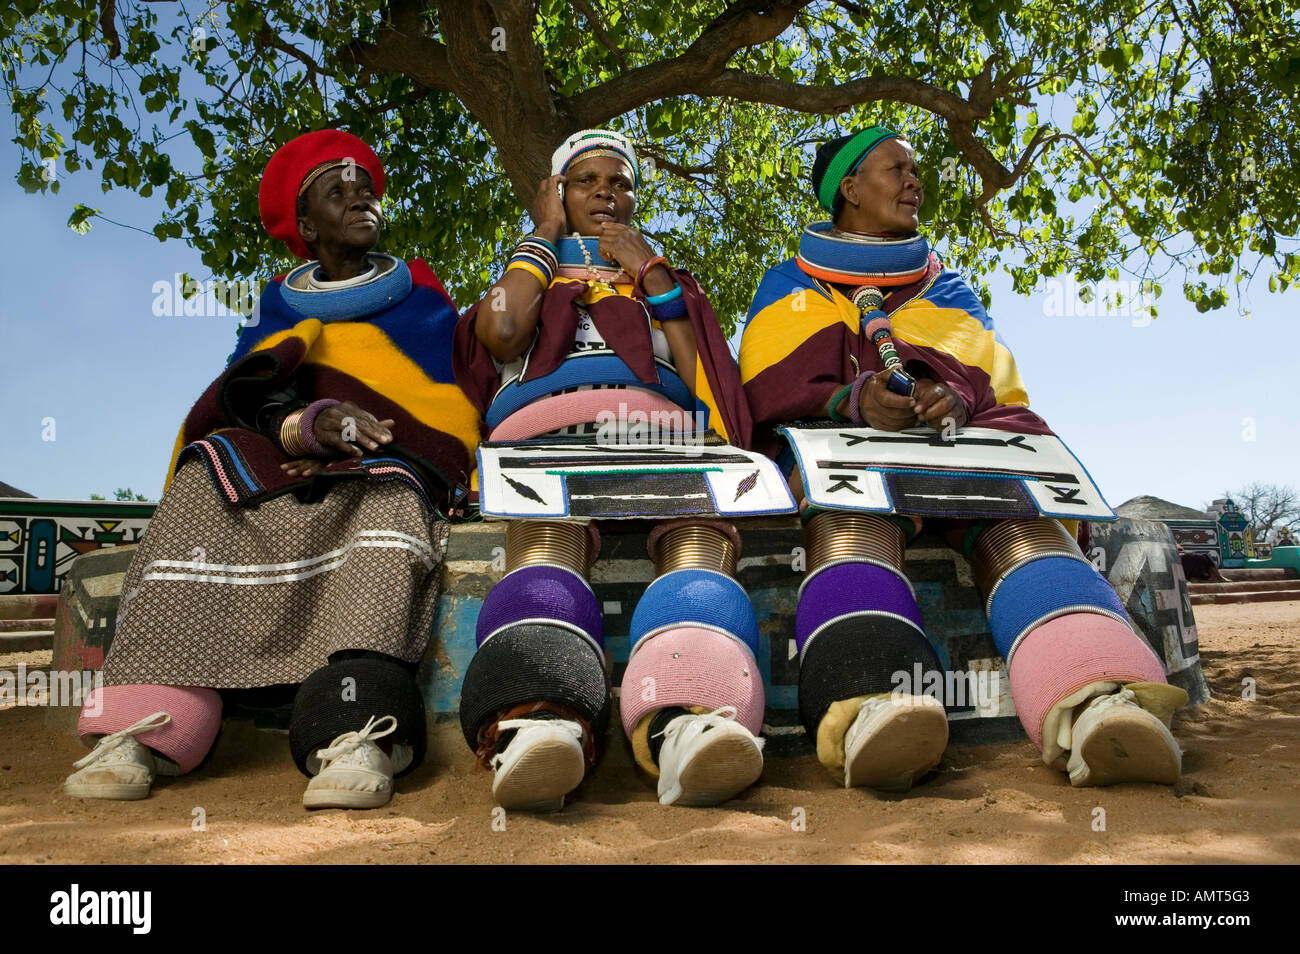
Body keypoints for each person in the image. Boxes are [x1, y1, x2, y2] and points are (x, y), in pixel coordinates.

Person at [740, 126, 1188, 790]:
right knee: (849, 520)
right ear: (849, 190)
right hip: (846, 454)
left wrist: (954, 396)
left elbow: (995, 380)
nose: (914, 180)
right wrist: (852, 400)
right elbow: (767, 379)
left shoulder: (947, 288)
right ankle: (869, 704)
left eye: (916, 170)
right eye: (896, 169)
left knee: (1023, 519)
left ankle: (1096, 700)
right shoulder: (789, 283)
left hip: (960, 446)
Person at [64, 129, 480, 809]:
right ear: (307, 227)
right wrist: (307, 422)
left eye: (366, 188)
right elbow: (251, 384)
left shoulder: (422, 289)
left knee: (391, 485)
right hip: (294, 441)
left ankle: (354, 728)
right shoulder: (278, 300)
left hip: (395, 447)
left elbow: (452, 381)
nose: (359, 199)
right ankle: (146, 722)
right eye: (336, 192)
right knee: (211, 466)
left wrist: (368, 425)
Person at [453, 129, 766, 810]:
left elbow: (702, 377)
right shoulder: (530, 274)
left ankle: (688, 722)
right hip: (547, 442)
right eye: (586, 180)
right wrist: (541, 235)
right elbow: (503, 334)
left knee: (699, 545)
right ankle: (542, 721)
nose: (606, 192)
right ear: (559, 196)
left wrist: (653, 276)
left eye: (620, 182)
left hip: (665, 438)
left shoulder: (661, 281)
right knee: (545, 551)